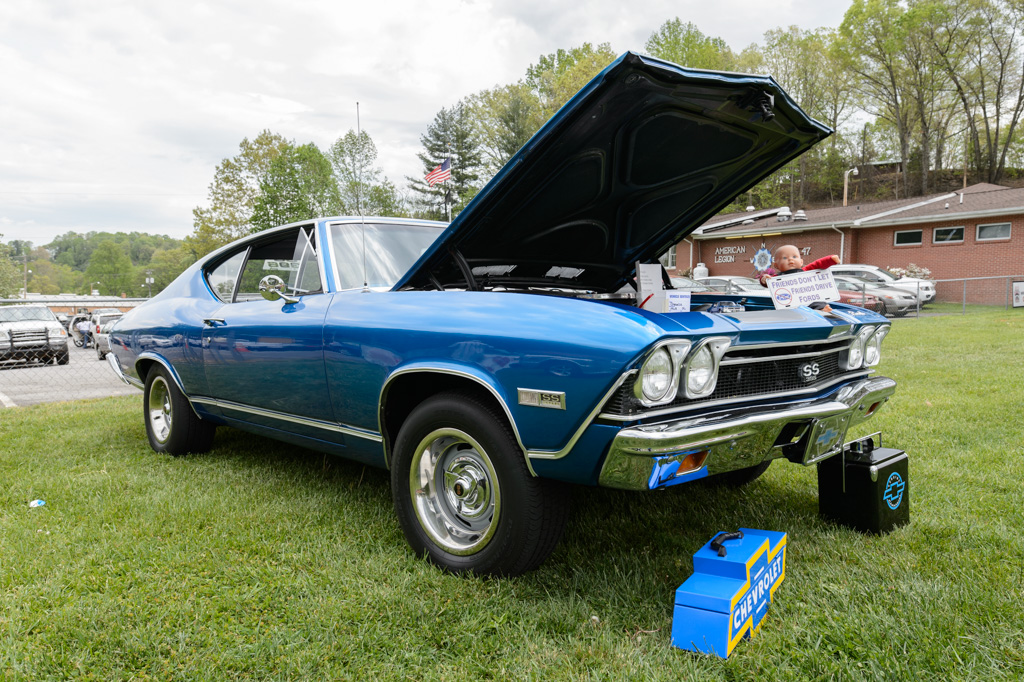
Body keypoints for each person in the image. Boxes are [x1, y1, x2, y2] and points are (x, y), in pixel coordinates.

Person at [758, 245, 840, 285]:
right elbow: (767, 280)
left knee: (817, 302)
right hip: (787, 303)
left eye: (794, 256)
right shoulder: (777, 278)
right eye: (785, 258)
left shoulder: (805, 271)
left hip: (808, 298)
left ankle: (823, 307)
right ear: (776, 265)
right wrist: (764, 279)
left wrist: (830, 259)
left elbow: (817, 264)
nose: (791, 259)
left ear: (801, 262)